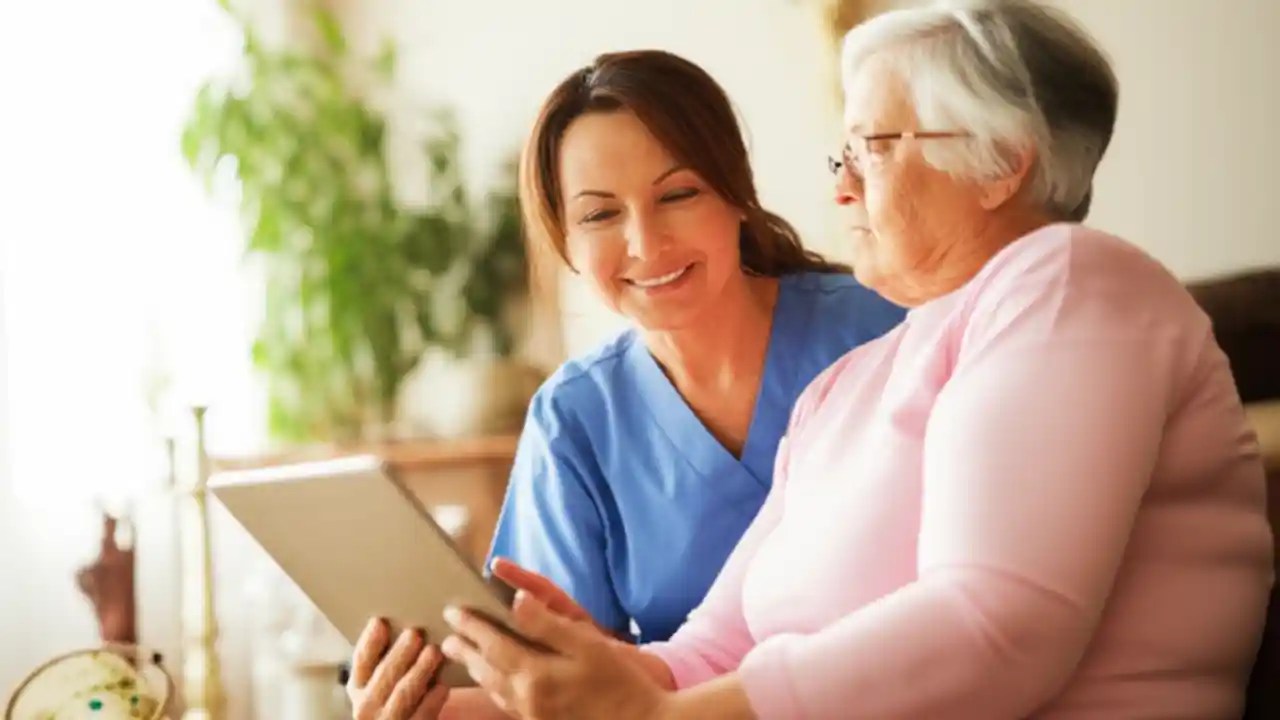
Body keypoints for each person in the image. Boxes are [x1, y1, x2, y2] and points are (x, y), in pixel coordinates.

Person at [440, 2, 1275, 718]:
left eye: (872, 147)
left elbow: (998, 627)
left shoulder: (1068, 283)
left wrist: (667, 716)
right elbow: (710, 651)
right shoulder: (847, 385)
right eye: (841, 154)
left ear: (1001, 162)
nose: (840, 187)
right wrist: (493, 692)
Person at [345, 49, 904, 719]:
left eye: (678, 195)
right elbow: (549, 690)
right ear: (565, 241)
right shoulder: (576, 419)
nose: (646, 244)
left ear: (736, 194)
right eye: (600, 215)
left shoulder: (890, 327)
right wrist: (413, 703)